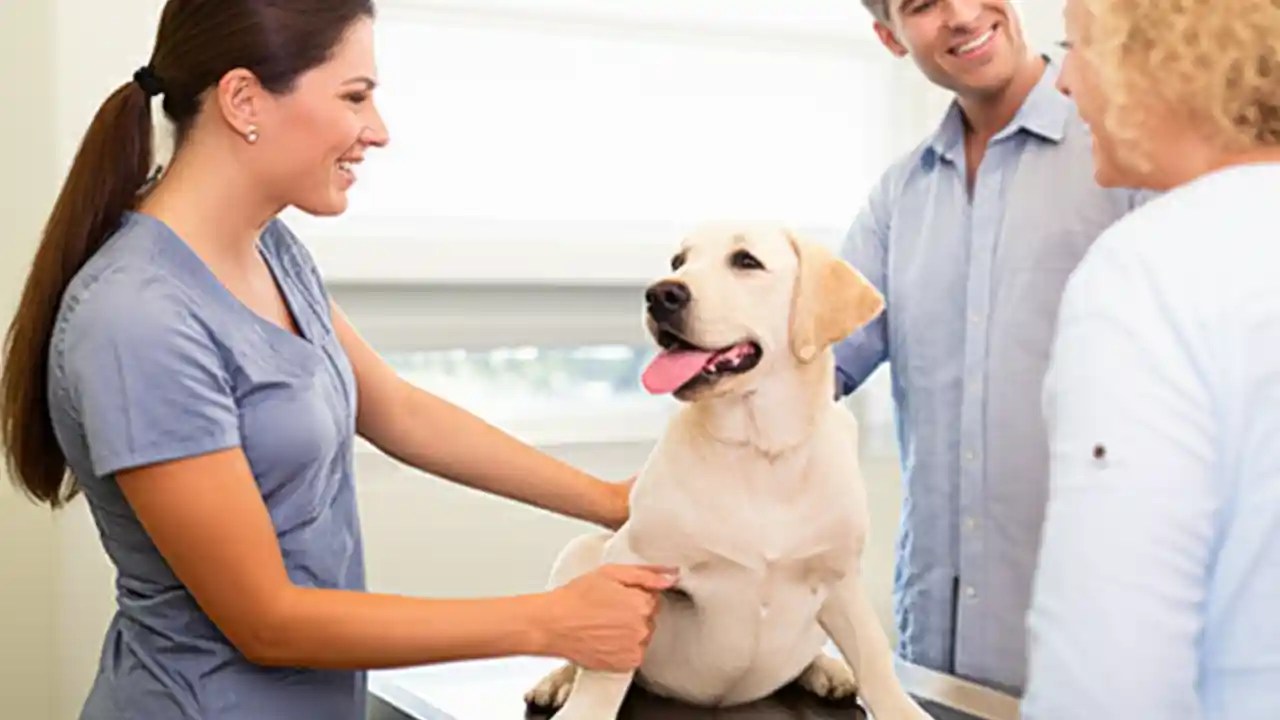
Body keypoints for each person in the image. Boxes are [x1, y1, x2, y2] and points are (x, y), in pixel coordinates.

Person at [0, 2, 678, 718]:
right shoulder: (138, 319)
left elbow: (399, 412)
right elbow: (267, 619)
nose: (377, 131)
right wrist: (549, 621)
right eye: (355, 96)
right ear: (242, 99)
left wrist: (610, 501)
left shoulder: (270, 252)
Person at [834, 0, 1147, 696]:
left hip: (1089, 656)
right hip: (931, 660)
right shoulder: (899, 197)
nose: (962, 14)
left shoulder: (1126, 149)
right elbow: (815, 359)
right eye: (922, 5)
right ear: (890, 37)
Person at [1021, 0, 1280, 717]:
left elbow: (1107, 681)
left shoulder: (1154, 268)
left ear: (1162, 58)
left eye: (1076, 46)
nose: (1064, 81)